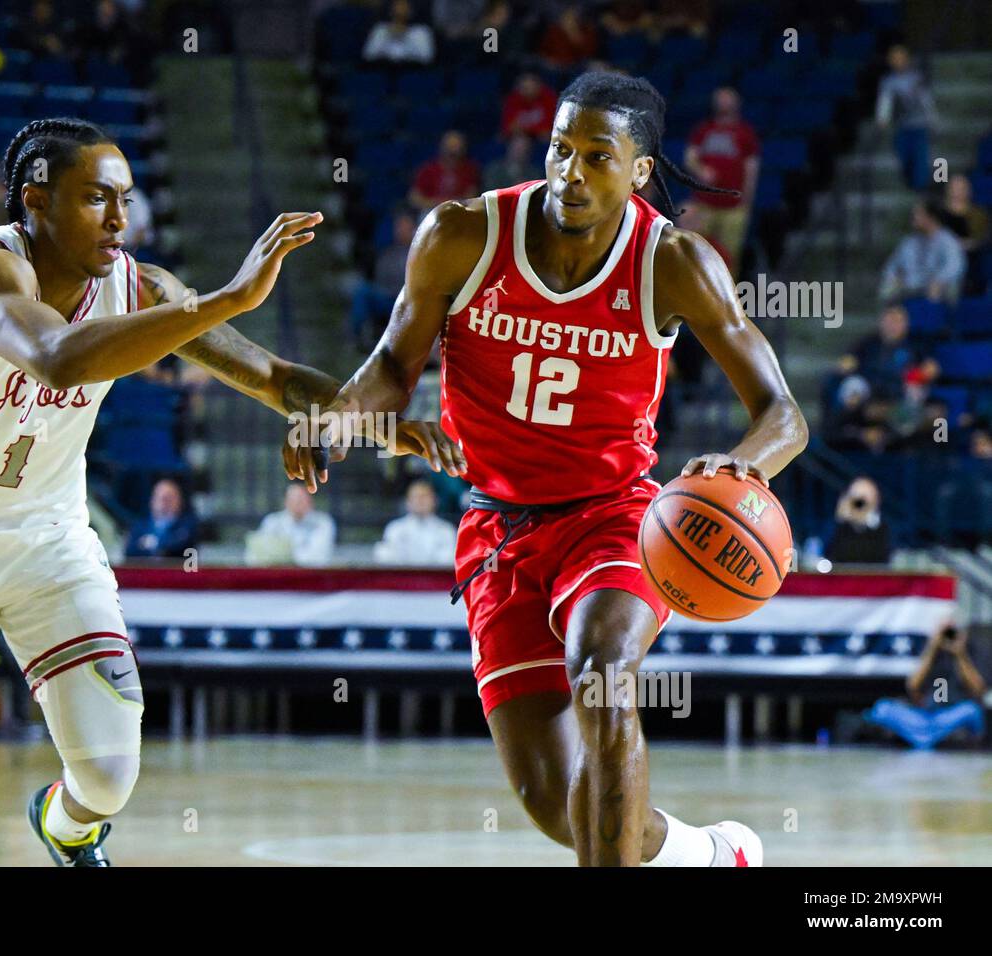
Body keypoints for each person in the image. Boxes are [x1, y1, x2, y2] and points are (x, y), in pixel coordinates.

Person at [0, 117, 450, 867]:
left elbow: (270, 377)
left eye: (127, 198)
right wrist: (227, 298)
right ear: (37, 201)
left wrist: (388, 428)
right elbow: (54, 357)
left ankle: (66, 825)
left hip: (47, 541)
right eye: (96, 198)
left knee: (109, 776)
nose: (121, 217)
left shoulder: (140, 287)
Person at [287, 71, 810, 866]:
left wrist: (740, 465)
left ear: (639, 170)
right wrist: (336, 416)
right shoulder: (463, 233)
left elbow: (783, 414)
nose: (571, 170)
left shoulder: (672, 261)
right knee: (557, 806)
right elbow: (393, 365)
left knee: (603, 670)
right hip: (496, 526)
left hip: (613, 515)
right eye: (561, 148)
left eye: (598, 156)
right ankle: (708, 855)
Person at [861, 622, 986, 749]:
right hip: (926, 716)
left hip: (952, 714)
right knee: (883, 707)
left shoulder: (970, 652)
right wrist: (932, 647)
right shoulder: (930, 653)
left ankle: (923, 738)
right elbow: (912, 686)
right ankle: (928, 737)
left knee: (972, 710)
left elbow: (978, 690)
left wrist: (960, 653)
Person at [680, 87, 760, 277]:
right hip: (704, 203)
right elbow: (689, 158)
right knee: (699, 254)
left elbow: (751, 168)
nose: (723, 103)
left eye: (727, 99)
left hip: (733, 206)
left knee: (730, 258)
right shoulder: (704, 130)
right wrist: (701, 170)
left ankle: (728, 300)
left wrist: (747, 199)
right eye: (720, 99)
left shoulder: (745, 133)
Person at [879, 199, 965, 304]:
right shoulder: (909, 242)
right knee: (887, 289)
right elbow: (892, 266)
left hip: (935, 286)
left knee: (947, 289)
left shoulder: (947, 241)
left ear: (931, 218)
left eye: (918, 214)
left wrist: (939, 280)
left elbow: (955, 266)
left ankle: (938, 317)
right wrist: (894, 278)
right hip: (911, 285)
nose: (913, 217)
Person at [875, 44, 936, 192]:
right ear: (890, 61)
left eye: (901, 58)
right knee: (903, 155)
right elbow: (885, 101)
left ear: (907, 59)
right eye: (895, 59)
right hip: (901, 126)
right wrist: (882, 118)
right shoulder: (888, 81)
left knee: (921, 155)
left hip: (919, 125)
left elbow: (925, 99)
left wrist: (932, 118)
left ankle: (920, 187)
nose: (898, 61)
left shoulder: (917, 78)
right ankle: (909, 180)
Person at [350, 208, 415, 346]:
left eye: (404, 226)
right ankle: (358, 336)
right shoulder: (389, 251)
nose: (400, 230)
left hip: (409, 301)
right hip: (387, 296)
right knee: (362, 290)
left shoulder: (420, 252)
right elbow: (381, 276)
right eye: (398, 226)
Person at [247, 483, 336, 567]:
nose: (297, 503)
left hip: (310, 577)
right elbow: (256, 554)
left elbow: (317, 556)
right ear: (286, 502)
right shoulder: (273, 521)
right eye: (293, 499)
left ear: (310, 501)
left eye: (301, 499)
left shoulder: (322, 522)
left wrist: (283, 558)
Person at [374, 479, 456, 566]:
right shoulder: (395, 528)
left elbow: (449, 561)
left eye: (424, 497)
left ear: (434, 501)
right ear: (407, 502)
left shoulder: (446, 530)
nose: (420, 501)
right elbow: (385, 557)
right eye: (415, 497)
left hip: (435, 578)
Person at [409, 130, 481, 213]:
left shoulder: (469, 170)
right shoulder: (428, 170)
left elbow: (471, 197)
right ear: (442, 147)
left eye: (456, 147)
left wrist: (451, 205)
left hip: (459, 213)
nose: (452, 151)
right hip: (431, 210)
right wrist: (437, 204)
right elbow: (414, 197)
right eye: (449, 147)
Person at [825, 476, 891, 565]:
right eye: (856, 497)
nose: (860, 503)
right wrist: (841, 520)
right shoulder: (838, 527)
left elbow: (883, 558)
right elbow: (828, 556)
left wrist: (866, 521)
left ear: (876, 499)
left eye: (864, 497)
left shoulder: (884, 528)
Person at [125, 478, 198, 558]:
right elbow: (130, 550)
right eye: (160, 498)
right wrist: (162, 547)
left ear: (179, 501)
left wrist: (153, 543)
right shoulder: (140, 525)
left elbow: (180, 546)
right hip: (145, 569)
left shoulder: (188, 524)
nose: (164, 502)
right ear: (152, 501)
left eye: (169, 498)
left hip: (177, 569)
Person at [361, 0, 435, 65]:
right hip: (384, 70)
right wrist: (387, 35)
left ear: (411, 11)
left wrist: (406, 35)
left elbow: (427, 57)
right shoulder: (380, 29)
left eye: (404, 6)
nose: (400, 9)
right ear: (390, 10)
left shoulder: (421, 31)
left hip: (412, 72)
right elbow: (368, 55)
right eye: (397, 6)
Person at [500, 73, 559, 142]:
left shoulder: (549, 98)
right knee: (520, 141)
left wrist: (524, 128)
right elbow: (508, 127)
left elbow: (547, 130)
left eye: (530, 87)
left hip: (543, 140)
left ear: (538, 86)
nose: (527, 92)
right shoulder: (513, 99)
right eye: (524, 88)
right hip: (519, 138)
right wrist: (533, 129)